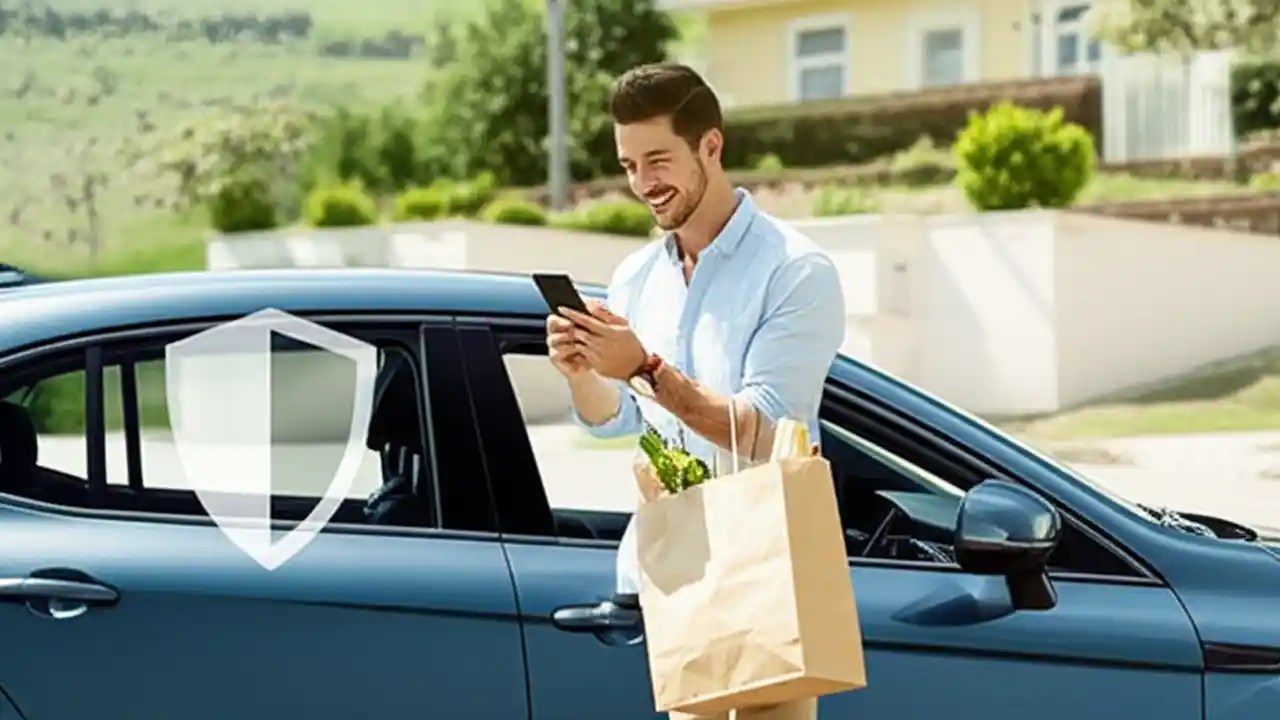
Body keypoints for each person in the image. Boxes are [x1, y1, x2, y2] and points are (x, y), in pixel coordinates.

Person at [544, 63, 845, 720]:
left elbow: (766, 430)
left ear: (712, 144)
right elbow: (614, 420)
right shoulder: (634, 278)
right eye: (628, 166)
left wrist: (646, 367)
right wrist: (585, 372)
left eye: (658, 159)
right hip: (678, 567)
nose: (643, 184)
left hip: (768, 564)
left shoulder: (794, 271)